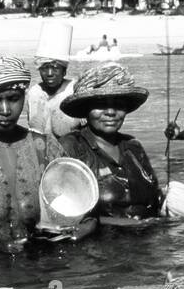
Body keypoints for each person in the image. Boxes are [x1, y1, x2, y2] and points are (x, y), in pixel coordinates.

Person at [0, 57, 94, 251]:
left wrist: (75, 233)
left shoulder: (45, 145)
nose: (5, 110)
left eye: (13, 99)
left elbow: (78, 200)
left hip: (39, 257)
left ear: (24, 97)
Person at [58, 64, 162, 219]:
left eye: (118, 105)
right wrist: (123, 224)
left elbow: (155, 196)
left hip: (146, 237)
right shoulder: (70, 148)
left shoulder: (134, 147)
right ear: (86, 109)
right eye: (101, 104)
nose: (111, 112)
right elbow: (62, 213)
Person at [21, 21, 85, 138]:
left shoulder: (75, 91)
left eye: (55, 68)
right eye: (45, 68)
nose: (49, 73)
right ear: (39, 69)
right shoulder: (34, 93)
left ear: (64, 71)